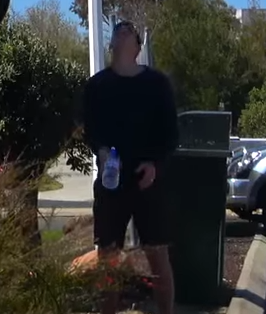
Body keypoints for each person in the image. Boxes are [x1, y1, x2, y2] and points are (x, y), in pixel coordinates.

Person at [81, 21, 178, 314]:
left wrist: (155, 166)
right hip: (112, 181)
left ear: (137, 47)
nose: (122, 32)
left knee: (156, 253)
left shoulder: (157, 84)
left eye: (129, 32)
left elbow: (170, 134)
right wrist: (99, 151)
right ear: (111, 44)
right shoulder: (96, 86)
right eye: (117, 31)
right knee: (107, 256)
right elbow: (90, 130)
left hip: (148, 180)